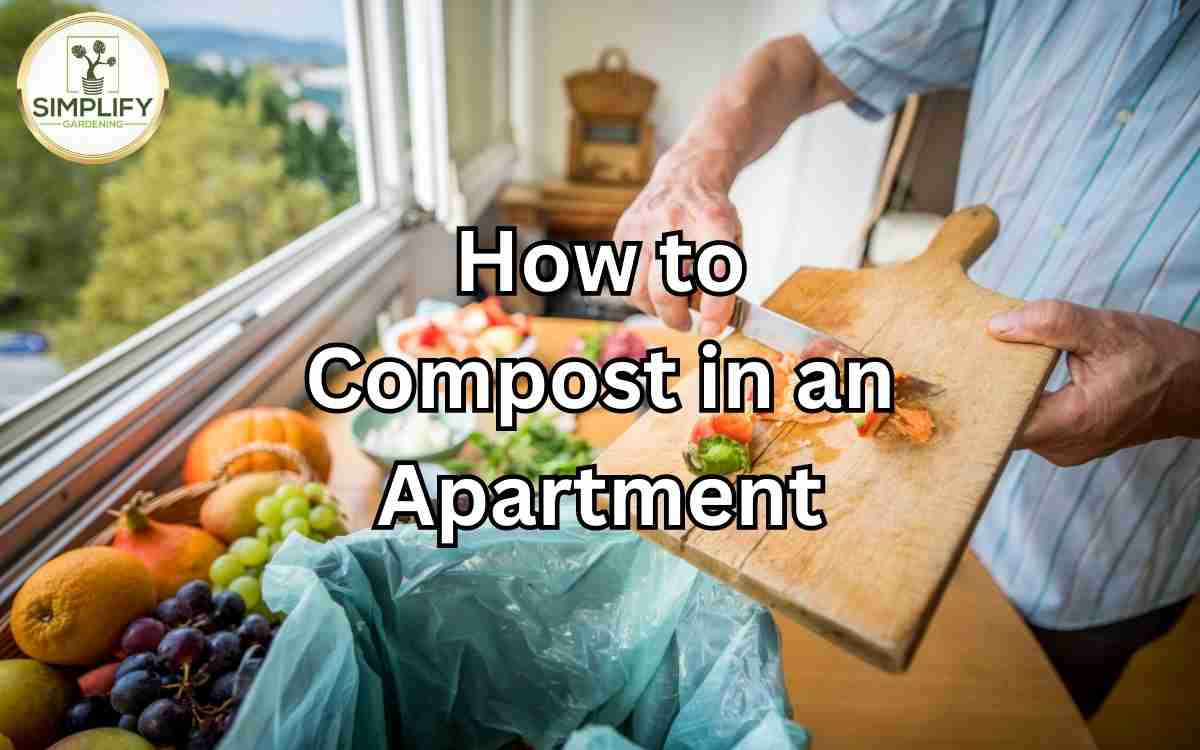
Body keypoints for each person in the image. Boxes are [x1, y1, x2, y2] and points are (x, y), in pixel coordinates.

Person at [616, 0, 1200, 718]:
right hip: (891, 511)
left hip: (1094, 549)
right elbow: (801, 64)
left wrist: (1184, 385)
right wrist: (690, 168)